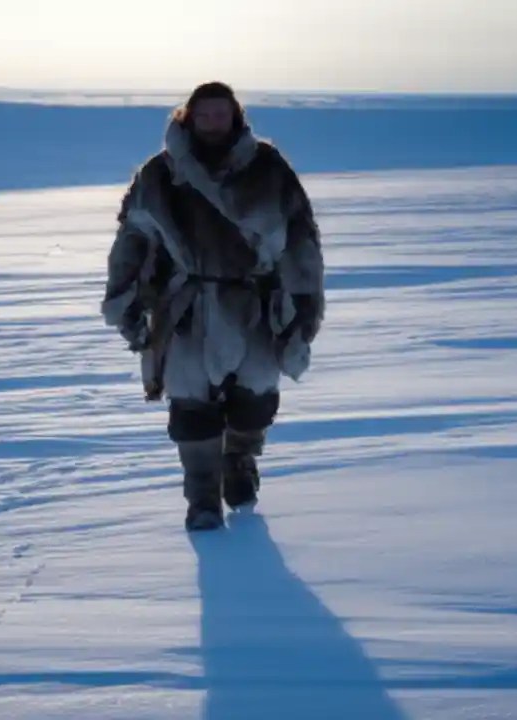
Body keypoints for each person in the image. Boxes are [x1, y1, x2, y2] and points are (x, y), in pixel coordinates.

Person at [101, 81, 325, 531]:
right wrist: (123, 297)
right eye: (203, 115)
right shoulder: (160, 174)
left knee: (256, 398)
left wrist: (304, 303)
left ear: (235, 116)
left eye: (220, 114)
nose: (212, 122)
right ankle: (201, 497)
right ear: (188, 117)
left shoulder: (267, 167)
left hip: (255, 302)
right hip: (188, 305)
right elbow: (132, 239)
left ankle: (239, 463)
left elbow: (300, 238)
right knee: (191, 404)